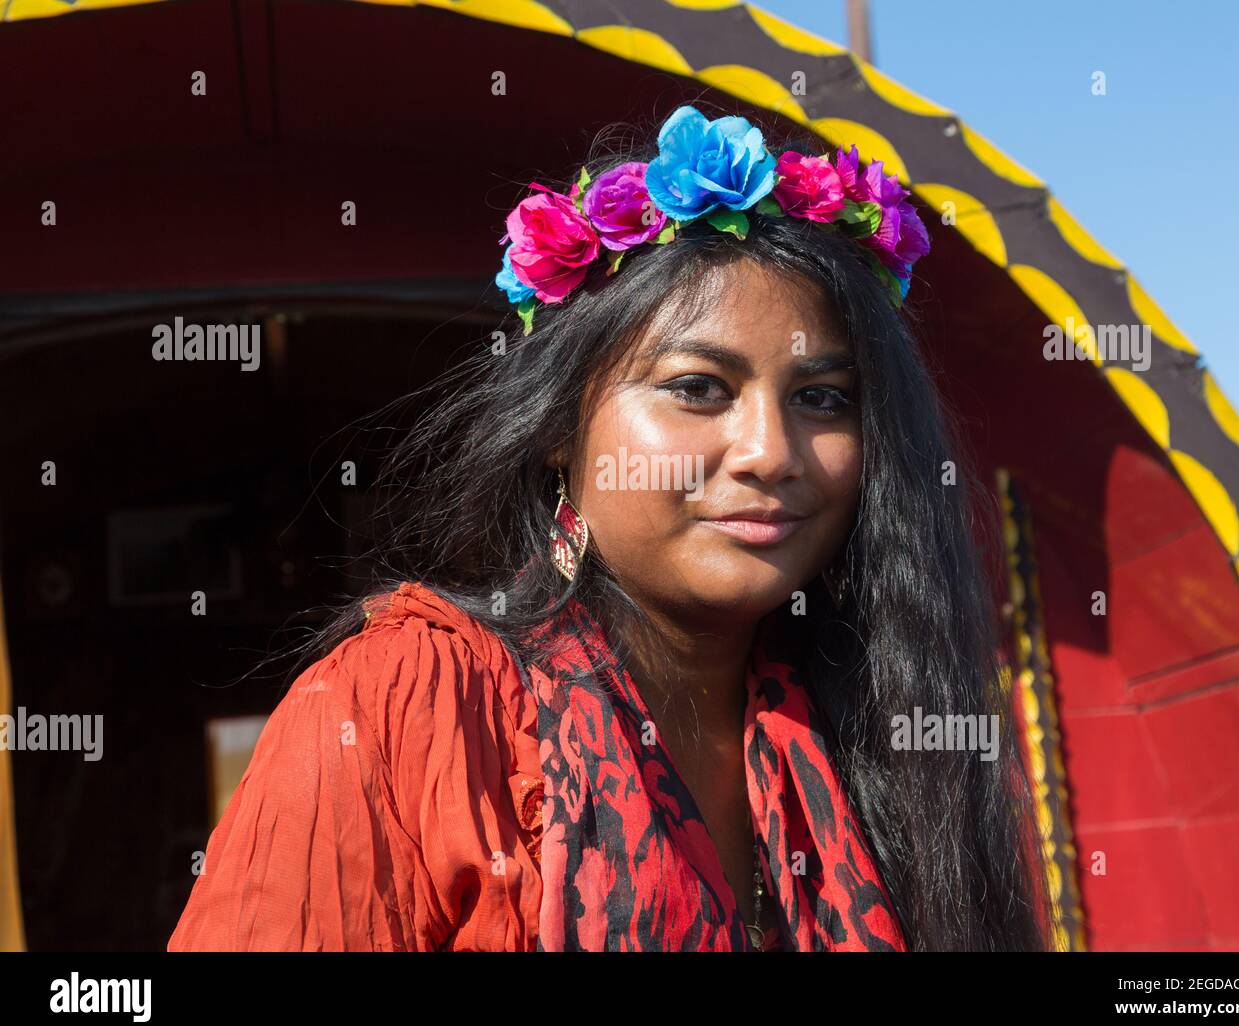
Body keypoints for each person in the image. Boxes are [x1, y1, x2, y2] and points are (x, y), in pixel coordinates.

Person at [168, 103, 1050, 952]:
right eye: (698, 387)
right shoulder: (410, 702)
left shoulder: (878, 725)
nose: (771, 453)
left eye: (823, 399)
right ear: (560, 431)